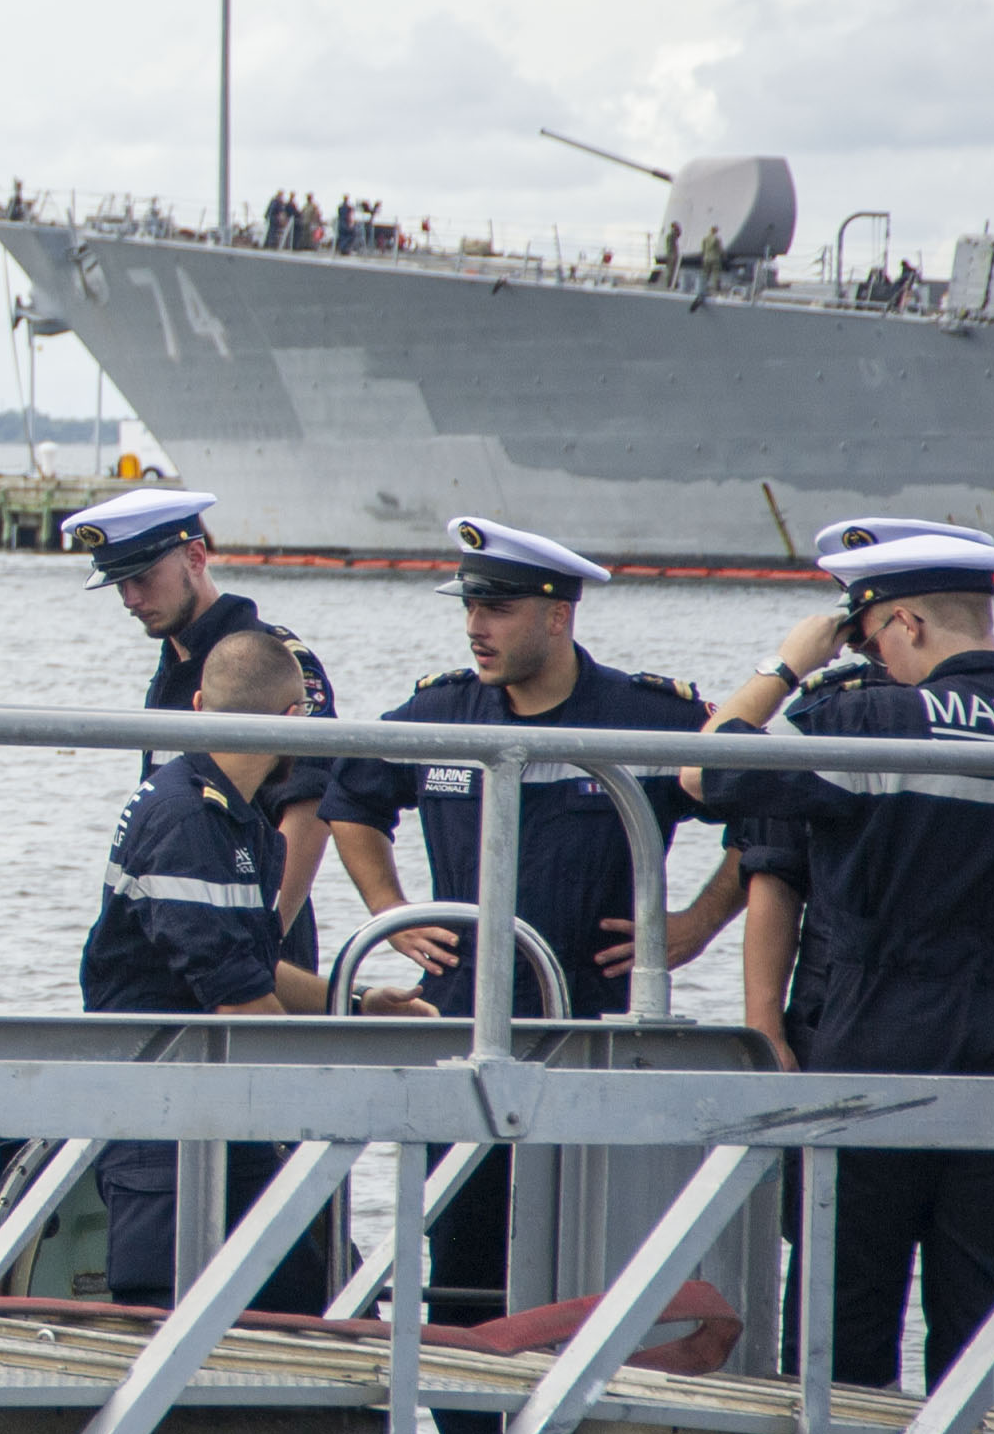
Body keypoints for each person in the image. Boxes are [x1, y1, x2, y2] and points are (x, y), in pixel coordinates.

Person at [318, 517, 742, 1320]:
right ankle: (466, 1401)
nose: (474, 627)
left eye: (497, 608)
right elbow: (349, 798)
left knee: (598, 1264)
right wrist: (390, 909)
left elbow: (767, 816)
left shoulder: (646, 717)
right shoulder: (441, 712)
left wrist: (698, 923)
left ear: (556, 614)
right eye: (469, 607)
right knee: (463, 1265)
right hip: (461, 1033)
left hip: (594, 1038)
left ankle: (582, 1399)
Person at [693, 527, 994, 1396]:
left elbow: (705, 771)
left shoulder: (865, 722)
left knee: (840, 1325)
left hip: (871, 1051)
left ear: (906, 623)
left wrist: (786, 665)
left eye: (869, 636)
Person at [82, 632, 427, 1311]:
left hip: (225, 1116)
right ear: (294, 721)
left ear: (199, 705)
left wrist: (355, 1002)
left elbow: (251, 966)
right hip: (166, 1130)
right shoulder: (185, 818)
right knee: (165, 1318)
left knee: (310, 1297)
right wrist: (346, 1075)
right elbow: (238, 1000)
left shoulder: (234, 816)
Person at [57, 485, 342, 977]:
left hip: (250, 933)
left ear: (195, 556)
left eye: (142, 578)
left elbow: (309, 809)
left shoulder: (271, 663)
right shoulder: (173, 665)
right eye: (119, 584)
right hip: (181, 934)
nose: (130, 599)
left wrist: (267, 936)